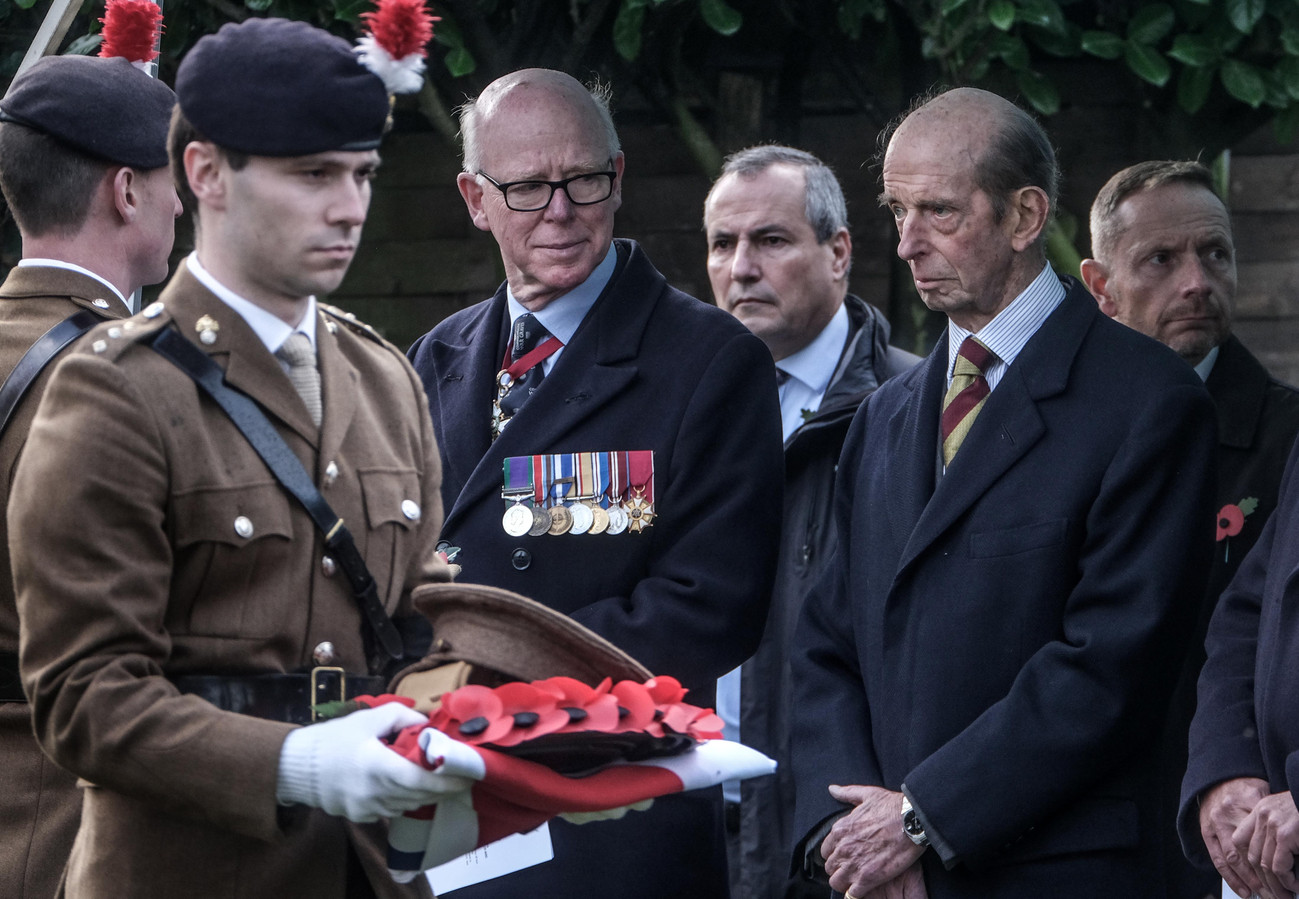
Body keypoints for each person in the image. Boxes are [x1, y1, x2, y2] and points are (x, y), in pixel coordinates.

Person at [9, 18, 463, 899]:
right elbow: (81, 695)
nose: (349, 206)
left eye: (361, 173)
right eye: (312, 174)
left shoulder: (385, 379)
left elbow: (423, 620)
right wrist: (294, 762)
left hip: (372, 873)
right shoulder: (114, 389)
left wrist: (488, 749)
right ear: (206, 173)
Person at [789, 87, 1217, 899]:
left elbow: (1110, 666)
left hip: (1053, 873)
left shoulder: (1147, 402)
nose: (907, 241)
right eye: (896, 208)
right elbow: (823, 646)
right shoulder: (882, 416)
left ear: (1024, 217)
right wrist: (842, 832)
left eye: (938, 212)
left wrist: (920, 819)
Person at [407, 68, 783, 899]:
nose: (560, 209)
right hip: (447, 822)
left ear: (617, 176)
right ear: (475, 198)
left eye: (583, 178)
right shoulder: (435, 359)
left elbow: (707, 607)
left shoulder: (709, 363)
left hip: (607, 827)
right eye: (527, 186)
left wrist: (483, 678)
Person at [702, 143, 919, 899]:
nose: (740, 268)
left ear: (837, 252)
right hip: (692, 820)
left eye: (770, 239)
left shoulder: (915, 409)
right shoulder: (674, 412)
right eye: (722, 244)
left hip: (847, 837)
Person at [1081, 160, 1299, 899]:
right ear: (1098, 286)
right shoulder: (1060, 438)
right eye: (1160, 259)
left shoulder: (1286, 436)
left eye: (1214, 254)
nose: (1196, 281)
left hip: (1231, 836)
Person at [0, 53, 178, 899]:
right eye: (169, 174)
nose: (182, 198)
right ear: (126, 191)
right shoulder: (129, 380)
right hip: (63, 830)